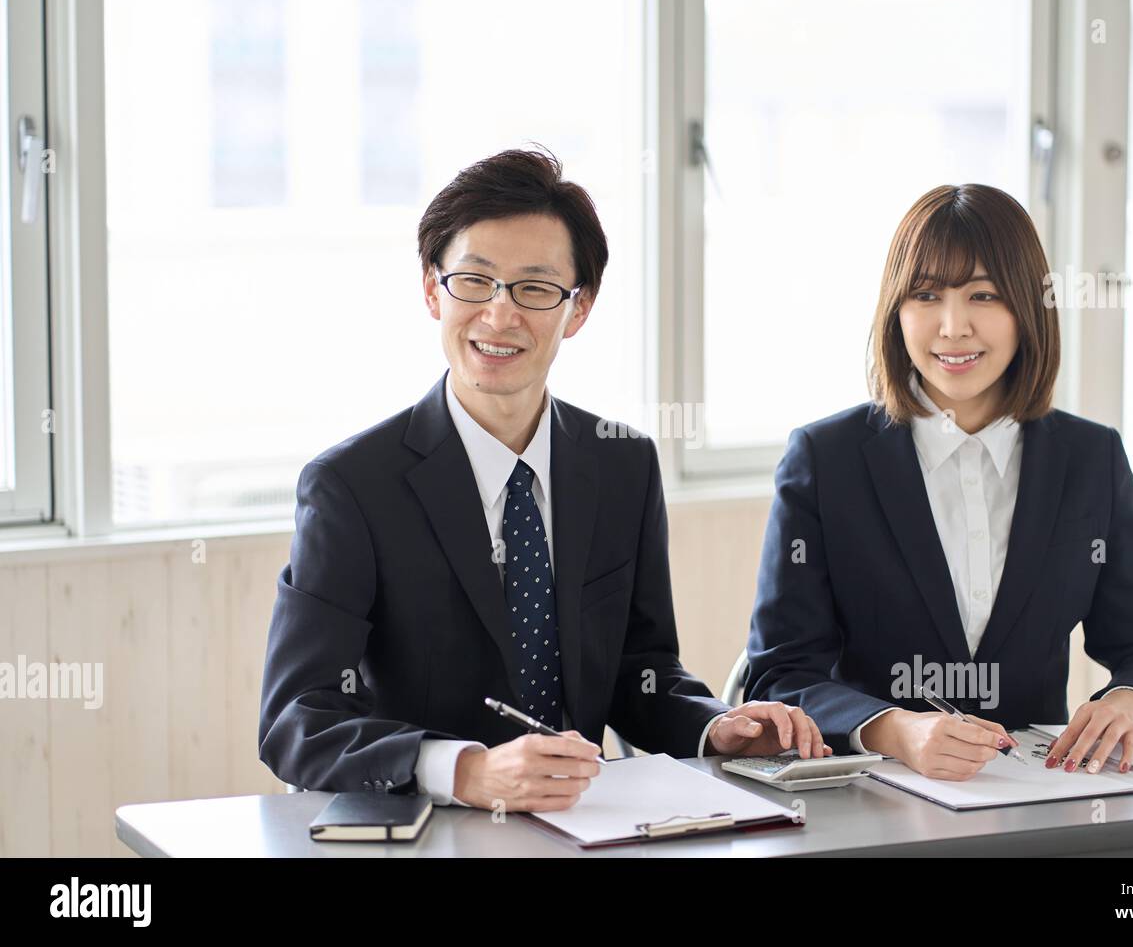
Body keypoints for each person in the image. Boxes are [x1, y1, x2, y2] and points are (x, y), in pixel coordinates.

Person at [259, 148, 828, 811]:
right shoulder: (350, 486)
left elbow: (637, 673)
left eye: (534, 289)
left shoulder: (622, 464)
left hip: (592, 824)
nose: (500, 316)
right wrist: (467, 772)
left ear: (578, 308)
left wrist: (713, 726)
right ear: (430, 290)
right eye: (474, 281)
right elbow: (297, 720)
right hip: (433, 834)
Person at [746, 183, 1133, 781]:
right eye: (926, 294)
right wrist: (897, 729)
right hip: (872, 796)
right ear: (896, 312)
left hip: (1038, 800)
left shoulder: (1091, 459)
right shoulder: (826, 460)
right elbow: (781, 673)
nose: (953, 327)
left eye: (983, 295)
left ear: (1027, 307)